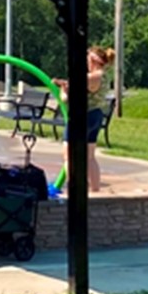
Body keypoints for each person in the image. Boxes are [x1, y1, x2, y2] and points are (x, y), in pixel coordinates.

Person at [58, 46, 115, 191]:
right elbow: (69, 95)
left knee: (69, 156)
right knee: (89, 157)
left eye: (87, 59)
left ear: (94, 60)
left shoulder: (91, 76)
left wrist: (63, 86)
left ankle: (74, 190)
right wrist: (65, 88)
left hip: (82, 117)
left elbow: (66, 97)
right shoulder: (104, 76)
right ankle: (95, 189)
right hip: (95, 116)